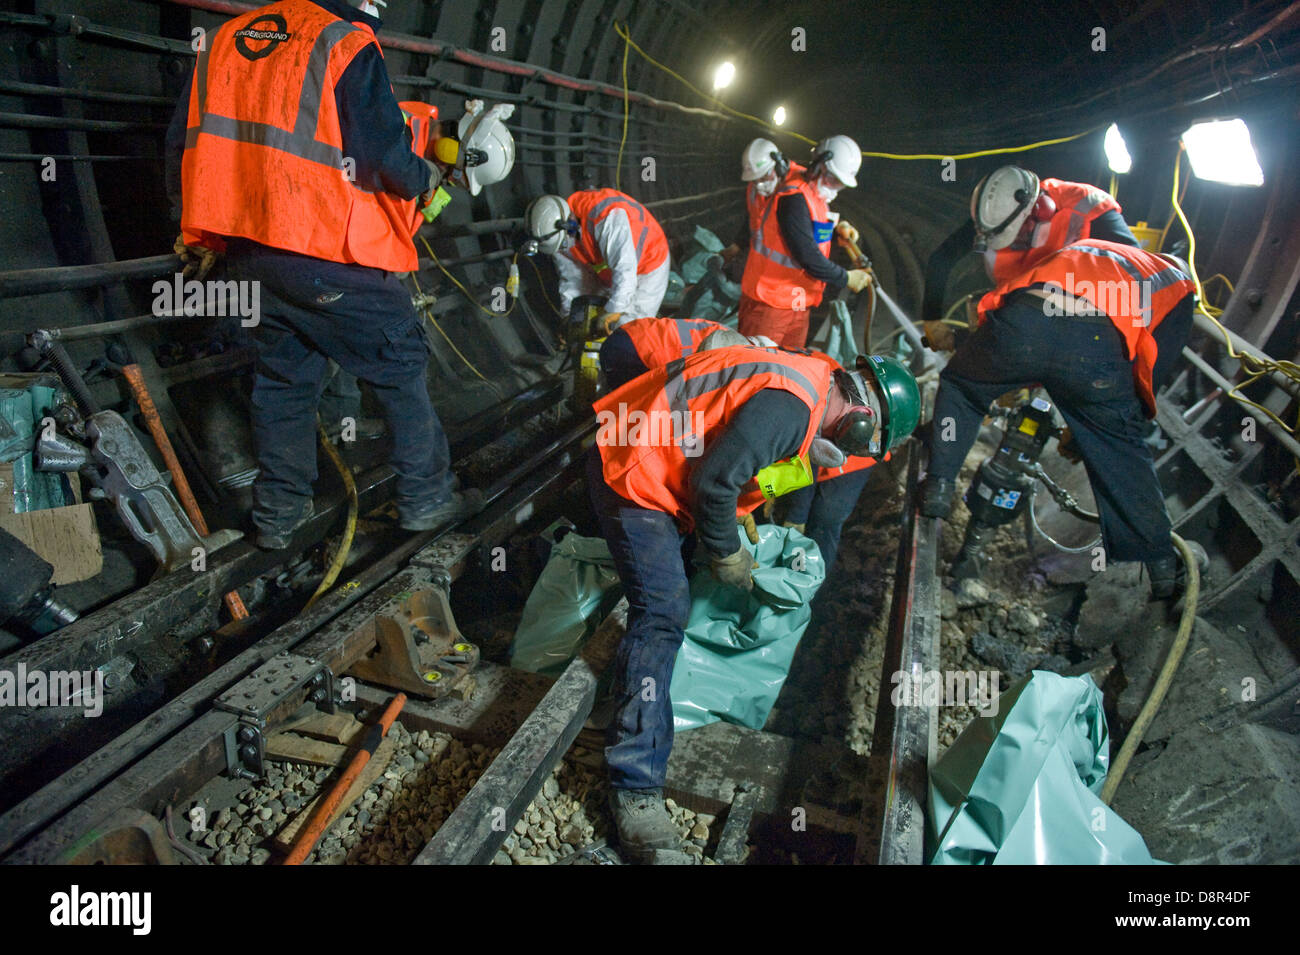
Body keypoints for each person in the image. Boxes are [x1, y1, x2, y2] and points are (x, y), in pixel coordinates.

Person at [168, 0, 481, 548]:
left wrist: (199, 234)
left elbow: (182, 147)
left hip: (251, 255)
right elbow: (381, 151)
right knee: (401, 364)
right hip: (328, 252)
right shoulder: (344, 42)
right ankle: (427, 498)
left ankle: (277, 518)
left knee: (284, 385)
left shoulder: (220, 41)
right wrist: (425, 175)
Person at [588, 343, 918, 860]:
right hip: (640, 468)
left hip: (655, 447)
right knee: (663, 612)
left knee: (671, 590)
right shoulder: (791, 407)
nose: (850, 456)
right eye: (863, 443)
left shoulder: (809, 382)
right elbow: (715, 484)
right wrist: (727, 554)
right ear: (859, 422)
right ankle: (635, 790)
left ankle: (637, 694)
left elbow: (729, 453)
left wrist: (740, 510)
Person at [921, 238, 1198, 598]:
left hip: (1024, 322)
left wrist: (1007, 373)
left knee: (961, 387)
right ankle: (1162, 568)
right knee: (1122, 450)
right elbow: (1152, 367)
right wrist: (1095, 428)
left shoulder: (1092, 247)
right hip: (1096, 344)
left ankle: (937, 488)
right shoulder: (1180, 284)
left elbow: (1014, 308)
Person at [920, 165, 1137, 349]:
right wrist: (932, 319)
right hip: (1024, 310)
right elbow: (942, 259)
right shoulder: (994, 220)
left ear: (1040, 211)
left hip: (1083, 313)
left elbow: (1134, 267)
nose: (1014, 243)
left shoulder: (1086, 204)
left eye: (1018, 234)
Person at [737, 135, 872, 348]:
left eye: (839, 183)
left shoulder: (810, 189)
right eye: (831, 179)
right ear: (819, 167)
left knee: (790, 369)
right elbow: (806, 253)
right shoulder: (793, 198)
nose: (833, 187)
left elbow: (811, 226)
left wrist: (838, 231)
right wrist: (845, 277)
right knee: (758, 371)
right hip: (772, 302)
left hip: (798, 300)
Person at [525, 188, 670, 334]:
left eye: (564, 243)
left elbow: (624, 269)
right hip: (609, 271)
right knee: (594, 317)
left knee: (631, 329)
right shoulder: (557, 238)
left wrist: (614, 311)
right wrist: (570, 318)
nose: (565, 247)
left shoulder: (606, 217)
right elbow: (573, 278)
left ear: (569, 224)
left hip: (649, 263)